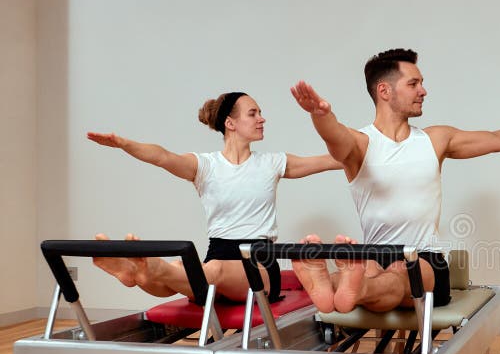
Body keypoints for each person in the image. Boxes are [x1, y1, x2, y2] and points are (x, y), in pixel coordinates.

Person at [289, 49, 500, 314]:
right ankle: (335, 285)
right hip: (374, 257)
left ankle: (350, 289)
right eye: (414, 83)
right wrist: (320, 115)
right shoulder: (360, 144)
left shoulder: (435, 140)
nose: (423, 91)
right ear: (385, 91)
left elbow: (499, 139)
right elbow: (335, 135)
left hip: (426, 261)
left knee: (395, 274)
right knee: (372, 269)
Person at [88, 91, 341, 302]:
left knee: (208, 270)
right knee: (186, 270)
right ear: (230, 123)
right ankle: (139, 273)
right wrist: (124, 143)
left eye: (260, 113)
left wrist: (363, 146)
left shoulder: (272, 163)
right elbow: (162, 156)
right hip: (216, 257)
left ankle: (145, 268)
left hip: (259, 264)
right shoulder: (206, 166)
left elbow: (331, 160)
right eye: (253, 113)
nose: (262, 119)